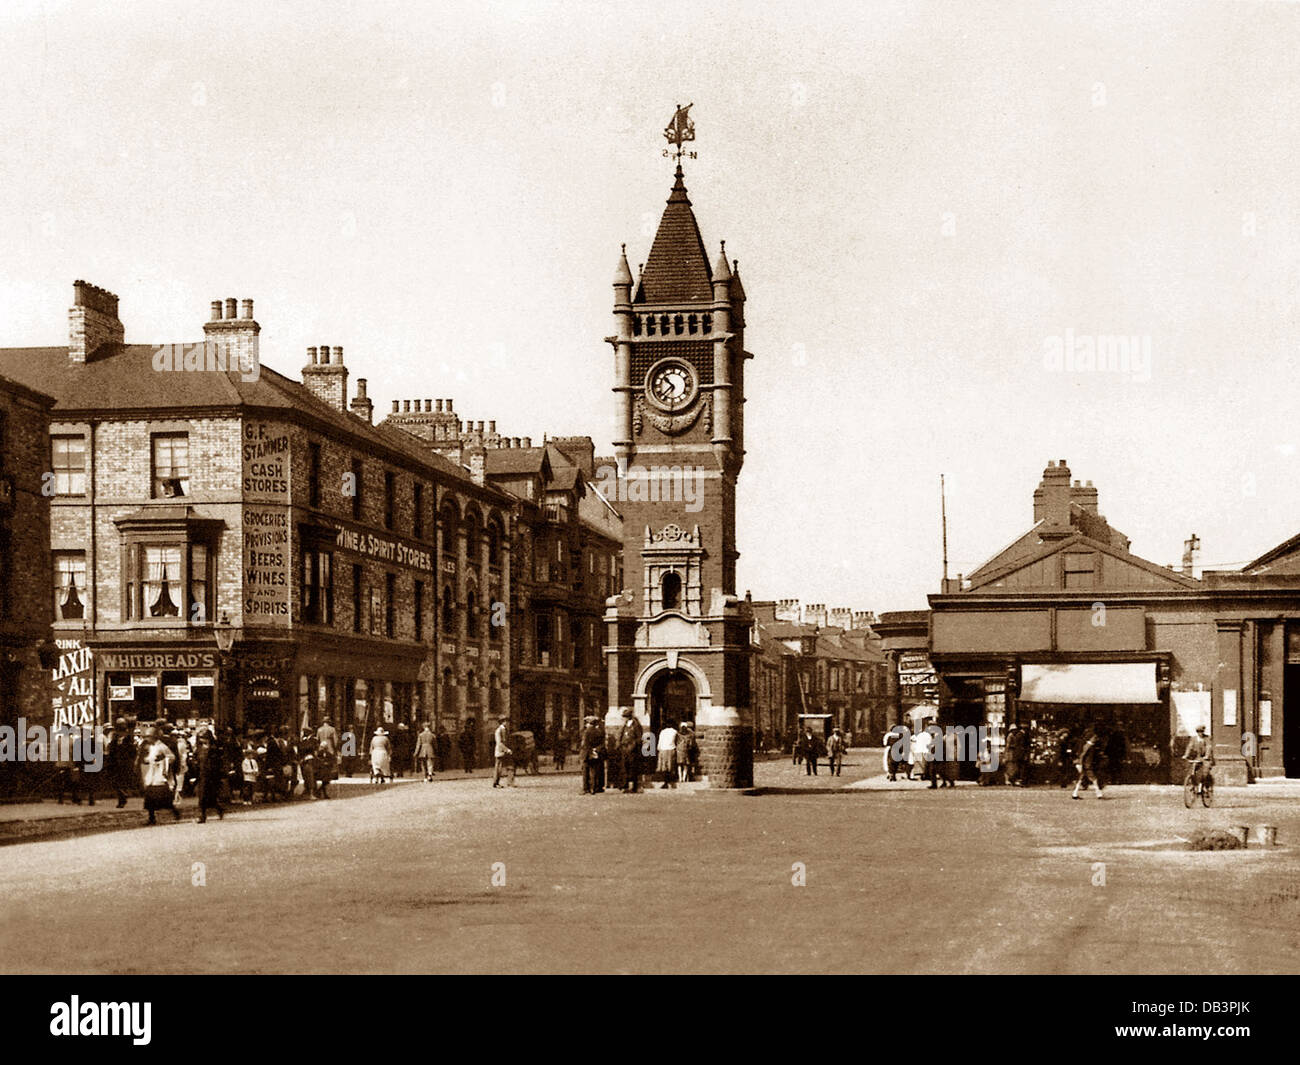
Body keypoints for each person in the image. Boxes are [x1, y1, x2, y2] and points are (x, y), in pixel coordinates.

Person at [138, 726, 179, 824]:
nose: (147, 739)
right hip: (152, 775)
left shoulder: (162, 746)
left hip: (159, 775)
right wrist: (147, 760)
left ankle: (174, 811)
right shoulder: (151, 747)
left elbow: (172, 757)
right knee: (149, 798)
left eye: (149, 737)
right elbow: (150, 758)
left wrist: (162, 760)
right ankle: (151, 817)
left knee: (163, 797)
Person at [194, 730, 225, 823]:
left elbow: (220, 762)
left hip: (213, 775)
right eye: (201, 738)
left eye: (205, 738)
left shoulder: (215, 749)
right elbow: (196, 762)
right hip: (202, 775)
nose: (203, 740)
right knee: (202, 795)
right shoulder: (198, 749)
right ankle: (202, 815)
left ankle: (218, 808)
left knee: (211, 796)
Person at [104, 718, 133, 808]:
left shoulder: (124, 737)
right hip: (119, 763)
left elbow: (131, 750)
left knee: (119, 781)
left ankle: (122, 798)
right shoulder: (119, 737)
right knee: (119, 782)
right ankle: (123, 796)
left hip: (121, 763)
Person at [1072, 727, 1106, 800]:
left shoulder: (1088, 746)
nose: (1095, 739)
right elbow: (1082, 755)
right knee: (1094, 779)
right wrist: (1080, 764)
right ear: (1090, 738)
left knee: (1080, 779)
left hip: (1085, 765)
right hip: (1087, 766)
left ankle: (1075, 793)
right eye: (1094, 737)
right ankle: (1098, 794)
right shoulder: (1089, 746)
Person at [618, 708, 643, 793]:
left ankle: (634, 786)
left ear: (629, 717)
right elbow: (621, 736)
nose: (624, 718)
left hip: (632, 750)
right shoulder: (625, 725)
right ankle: (625, 785)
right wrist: (620, 745)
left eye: (625, 717)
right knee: (624, 768)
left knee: (633, 768)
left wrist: (632, 746)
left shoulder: (635, 725)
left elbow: (639, 738)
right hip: (624, 749)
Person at [580, 716, 606, 794]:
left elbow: (584, 744)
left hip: (587, 753)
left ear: (589, 723)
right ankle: (594, 788)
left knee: (585, 771)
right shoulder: (600, 731)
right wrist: (595, 750)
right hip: (595, 752)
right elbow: (602, 743)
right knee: (594, 771)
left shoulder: (587, 732)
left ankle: (585, 788)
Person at [1182, 725, 1213, 789]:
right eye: (1198, 732)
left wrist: (1207, 756)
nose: (1200, 733)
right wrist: (1186, 755)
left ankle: (1204, 785)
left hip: (1206, 758)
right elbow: (1189, 747)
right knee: (1193, 768)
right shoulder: (1193, 739)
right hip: (1198, 757)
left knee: (1205, 771)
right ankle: (1193, 784)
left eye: (1201, 732)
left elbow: (1208, 747)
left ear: (1203, 732)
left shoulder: (1207, 738)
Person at [492, 717, 516, 788]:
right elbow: (499, 743)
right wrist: (507, 749)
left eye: (507, 721)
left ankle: (510, 783)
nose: (507, 723)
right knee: (498, 768)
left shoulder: (506, 730)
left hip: (507, 752)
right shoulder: (498, 731)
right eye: (505, 721)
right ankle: (496, 783)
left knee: (510, 767)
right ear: (502, 722)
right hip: (500, 752)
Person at [657, 722, 679, 788]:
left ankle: (665, 782)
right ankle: (671, 781)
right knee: (671, 766)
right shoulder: (674, 731)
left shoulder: (662, 732)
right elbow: (677, 741)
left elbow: (660, 742)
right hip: (671, 749)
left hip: (663, 749)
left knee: (664, 767)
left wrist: (659, 749)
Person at [298, 728, 318, 799]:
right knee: (306, 776)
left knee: (310, 776)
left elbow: (312, 749)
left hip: (310, 761)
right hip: (304, 760)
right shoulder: (304, 740)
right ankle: (307, 792)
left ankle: (311, 793)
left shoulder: (313, 740)